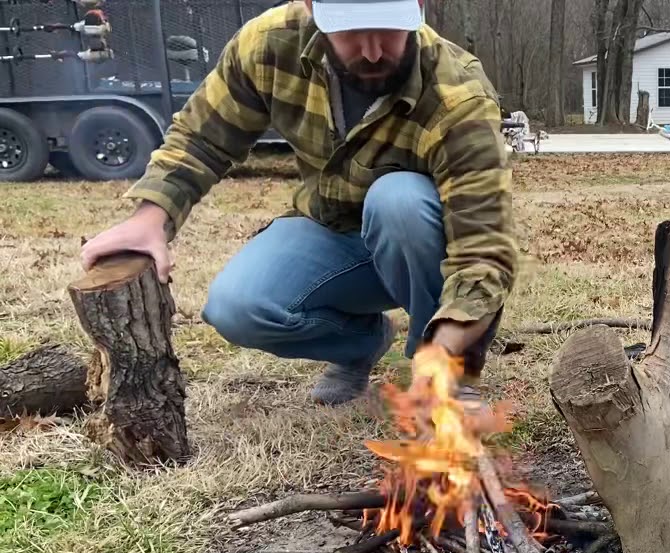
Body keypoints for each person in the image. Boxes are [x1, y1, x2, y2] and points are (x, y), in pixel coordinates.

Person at [79, 0, 517, 405]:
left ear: (418, 6)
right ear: (311, 7)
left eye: (387, 29)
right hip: (330, 229)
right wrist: (152, 216)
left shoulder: (457, 92)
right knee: (237, 307)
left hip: (421, 245)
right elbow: (202, 136)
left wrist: (450, 353)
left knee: (398, 200)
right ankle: (362, 341)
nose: (370, 52)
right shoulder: (271, 44)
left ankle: (445, 372)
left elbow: (483, 251)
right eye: (348, 32)